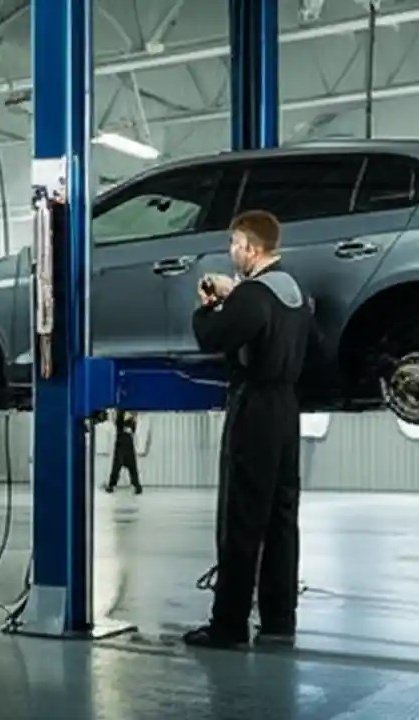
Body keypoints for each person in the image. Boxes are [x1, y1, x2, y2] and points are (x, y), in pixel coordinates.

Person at [183, 210, 312, 650]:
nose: (231, 251)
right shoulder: (294, 291)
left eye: (234, 244)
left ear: (250, 247)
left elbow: (213, 336)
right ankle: (279, 621)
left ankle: (228, 626)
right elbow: (265, 315)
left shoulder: (252, 296)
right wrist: (234, 292)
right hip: (287, 409)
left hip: (253, 407)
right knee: (281, 518)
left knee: (240, 519)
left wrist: (208, 306)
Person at [103, 410, 142, 495]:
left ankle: (112, 486)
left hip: (122, 441)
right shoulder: (129, 418)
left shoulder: (124, 416)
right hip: (126, 441)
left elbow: (120, 424)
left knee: (118, 466)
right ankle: (136, 486)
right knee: (130, 466)